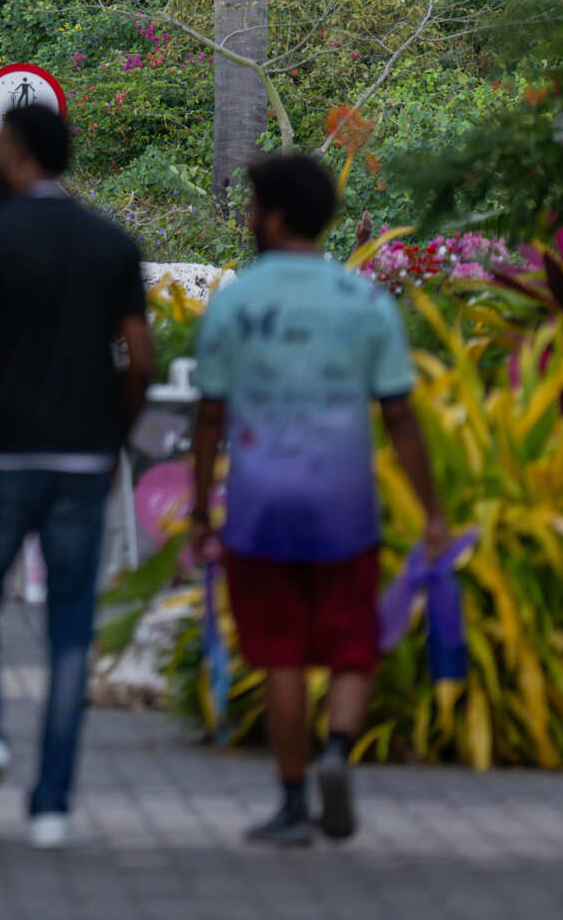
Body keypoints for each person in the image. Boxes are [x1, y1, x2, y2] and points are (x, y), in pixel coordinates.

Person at [188, 152, 448, 849]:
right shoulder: (364, 301)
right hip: (344, 500)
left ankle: (293, 802)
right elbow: (399, 415)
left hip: (260, 502)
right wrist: (432, 510)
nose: (249, 219)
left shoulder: (235, 302)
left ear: (274, 218)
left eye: (253, 209)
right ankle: (337, 750)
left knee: (281, 652)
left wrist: (199, 511)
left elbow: (209, 416)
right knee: (351, 638)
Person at [0, 103, 153, 848]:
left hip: (7, 453)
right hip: (84, 458)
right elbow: (141, 358)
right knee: (70, 629)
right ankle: (51, 803)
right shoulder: (112, 244)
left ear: (16, 152)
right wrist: (116, 435)